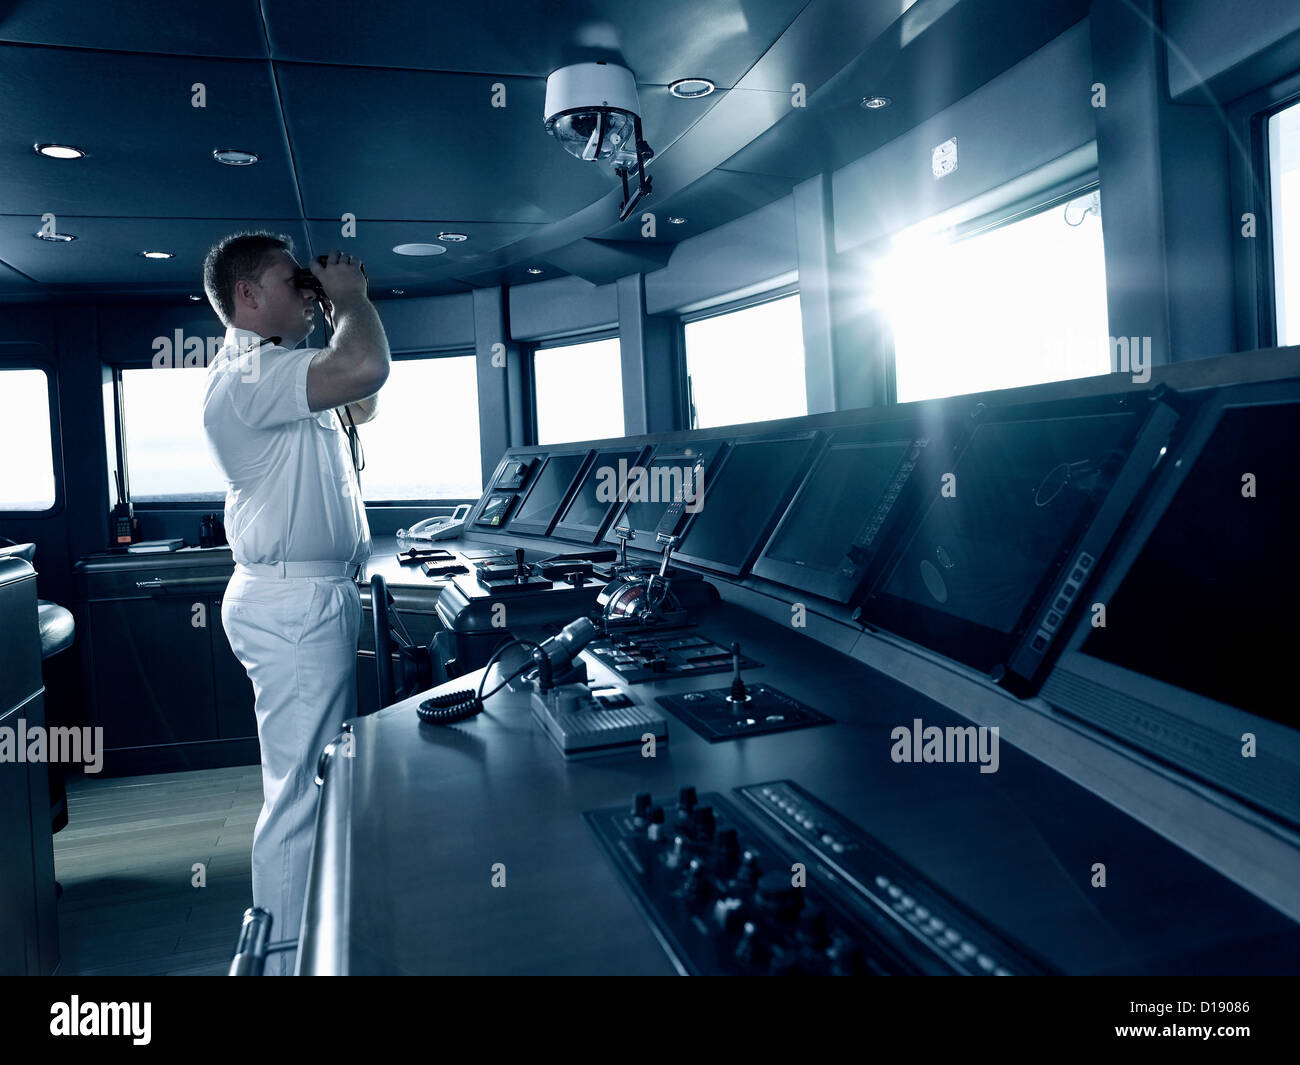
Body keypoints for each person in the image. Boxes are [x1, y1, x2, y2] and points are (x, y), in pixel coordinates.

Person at [200, 232, 390, 975]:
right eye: (292, 281)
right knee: (298, 795)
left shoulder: (278, 372)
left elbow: (363, 396)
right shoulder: (250, 373)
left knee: (310, 781)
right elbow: (366, 363)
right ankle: (279, 964)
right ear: (249, 297)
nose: (306, 291)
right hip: (292, 603)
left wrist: (337, 305)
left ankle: (310, 946)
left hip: (304, 595)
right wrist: (350, 298)